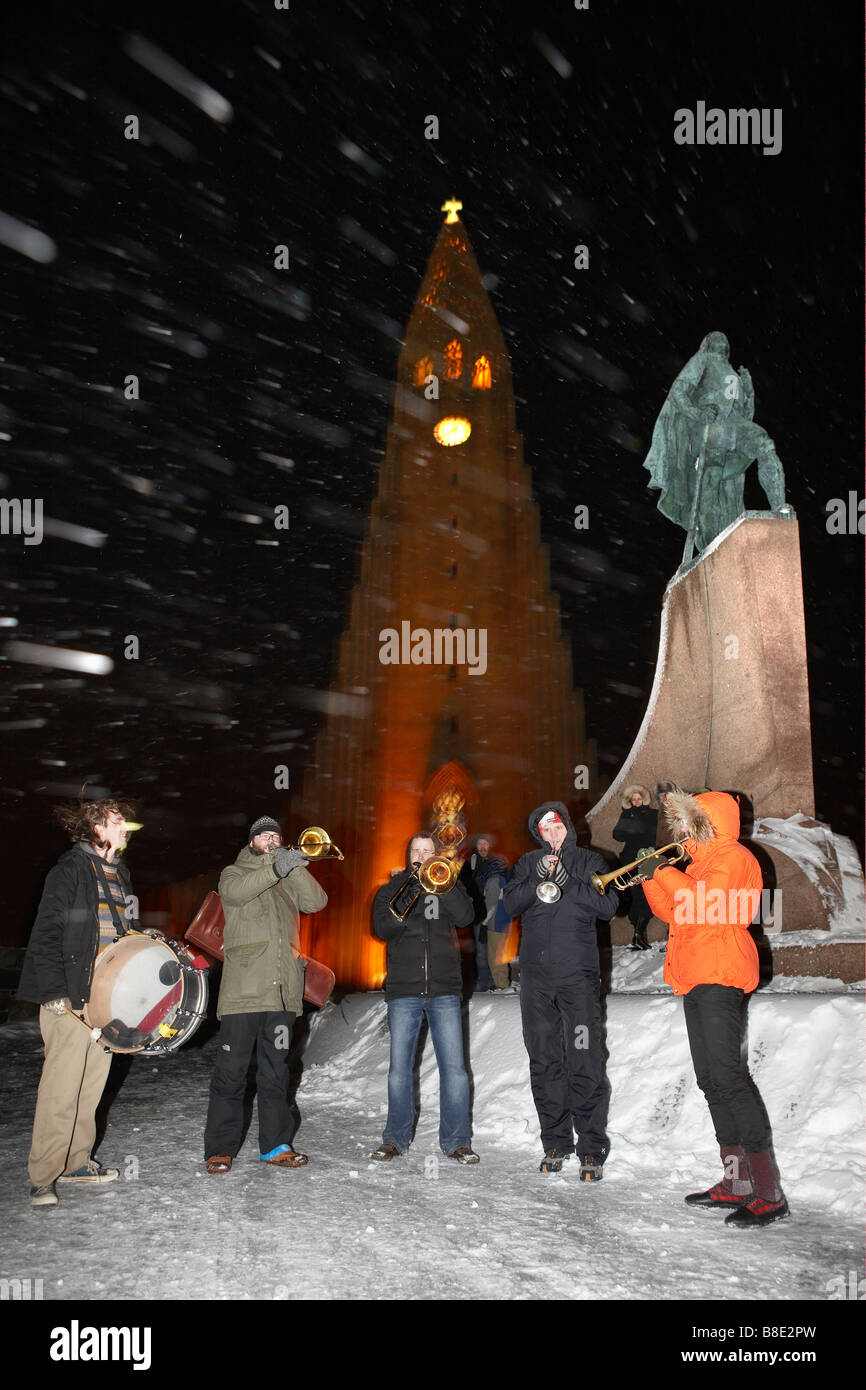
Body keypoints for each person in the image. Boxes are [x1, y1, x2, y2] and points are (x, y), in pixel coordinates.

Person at [642, 789, 788, 1227]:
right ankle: (736, 1182)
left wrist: (665, 872)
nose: (681, 831)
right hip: (695, 975)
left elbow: (706, 905)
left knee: (729, 1078)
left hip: (720, 973)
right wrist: (652, 877)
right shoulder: (700, 863)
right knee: (711, 1079)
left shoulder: (734, 856)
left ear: (708, 822)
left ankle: (768, 1192)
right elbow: (674, 912)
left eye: (689, 822)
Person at [17, 796, 139, 1207]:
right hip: (70, 994)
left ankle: (75, 1163)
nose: (126, 826)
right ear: (97, 829)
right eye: (118, 820)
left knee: (90, 1086)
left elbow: (118, 936)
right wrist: (53, 993)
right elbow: (48, 932)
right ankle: (43, 1176)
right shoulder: (70, 870)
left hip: (105, 998)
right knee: (60, 1089)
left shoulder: (119, 873)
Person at [203, 816, 327, 1174]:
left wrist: (296, 867)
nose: (272, 841)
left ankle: (276, 1145)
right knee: (232, 1073)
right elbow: (236, 894)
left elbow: (316, 901)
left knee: (276, 1073)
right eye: (265, 836)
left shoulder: (285, 876)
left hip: (281, 995)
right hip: (243, 992)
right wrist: (275, 866)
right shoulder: (234, 873)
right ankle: (220, 1148)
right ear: (252, 841)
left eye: (277, 836)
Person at [503, 802, 618, 1178]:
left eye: (558, 829)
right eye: (545, 831)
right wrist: (537, 877)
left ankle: (591, 1146)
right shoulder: (526, 863)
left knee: (585, 1058)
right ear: (539, 834)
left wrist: (569, 880)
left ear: (568, 828)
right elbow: (509, 904)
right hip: (536, 981)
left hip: (578, 980)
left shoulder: (590, 861)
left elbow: (608, 906)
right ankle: (555, 1141)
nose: (553, 837)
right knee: (545, 1060)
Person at [370, 833, 479, 1164]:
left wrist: (442, 886)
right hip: (404, 989)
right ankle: (395, 1139)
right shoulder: (391, 890)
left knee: (455, 1070)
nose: (421, 855)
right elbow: (383, 929)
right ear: (408, 855)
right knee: (399, 1070)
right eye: (415, 851)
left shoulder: (449, 882)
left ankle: (457, 1141)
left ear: (436, 856)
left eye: (427, 851)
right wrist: (412, 889)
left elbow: (465, 917)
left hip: (444, 989)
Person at [612, 785, 658, 951]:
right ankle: (638, 933)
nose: (637, 802)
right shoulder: (627, 815)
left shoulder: (653, 814)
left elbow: (656, 834)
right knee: (634, 895)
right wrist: (628, 825)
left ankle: (641, 932)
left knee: (647, 894)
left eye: (639, 798)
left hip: (648, 858)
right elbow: (616, 835)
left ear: (643, 799)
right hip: (630, 859)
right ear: (630, 801)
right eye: (634, 799)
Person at [465, 833, 511, 990]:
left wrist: (484, 920)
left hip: (494, 919)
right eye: (480, 844)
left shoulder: (494, 874)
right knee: (483, 954)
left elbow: (492, 899)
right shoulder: (476, 868)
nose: (483, 847)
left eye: (486, 844)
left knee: (494, 953)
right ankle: (485, 981)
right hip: (482, 918)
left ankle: (497, 984)